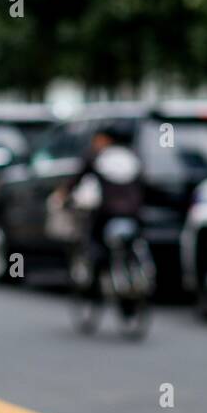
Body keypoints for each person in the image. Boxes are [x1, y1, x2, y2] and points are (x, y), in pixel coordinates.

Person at [64, 125, 144, 299]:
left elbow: (77, 179)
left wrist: (63, 197)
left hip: (107, 213)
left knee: (95, 244)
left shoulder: (97, 157)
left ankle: (95, 282)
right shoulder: (132, 157)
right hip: (134, 213)